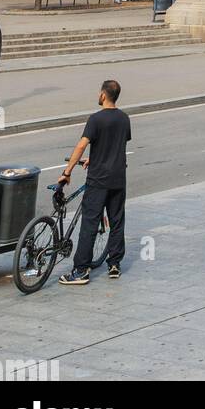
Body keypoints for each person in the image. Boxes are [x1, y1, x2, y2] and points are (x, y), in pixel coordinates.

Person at [57, 79, 131, 285]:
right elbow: (115, 145)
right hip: (118, 179)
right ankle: (114, 264)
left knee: (90, 223)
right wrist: (95, 156)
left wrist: (67, 171)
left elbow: (82, 145)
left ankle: (81, 271)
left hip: (98, 180)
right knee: (117, 221)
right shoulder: (125, 119)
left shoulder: (96, 119)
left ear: (103, 95)